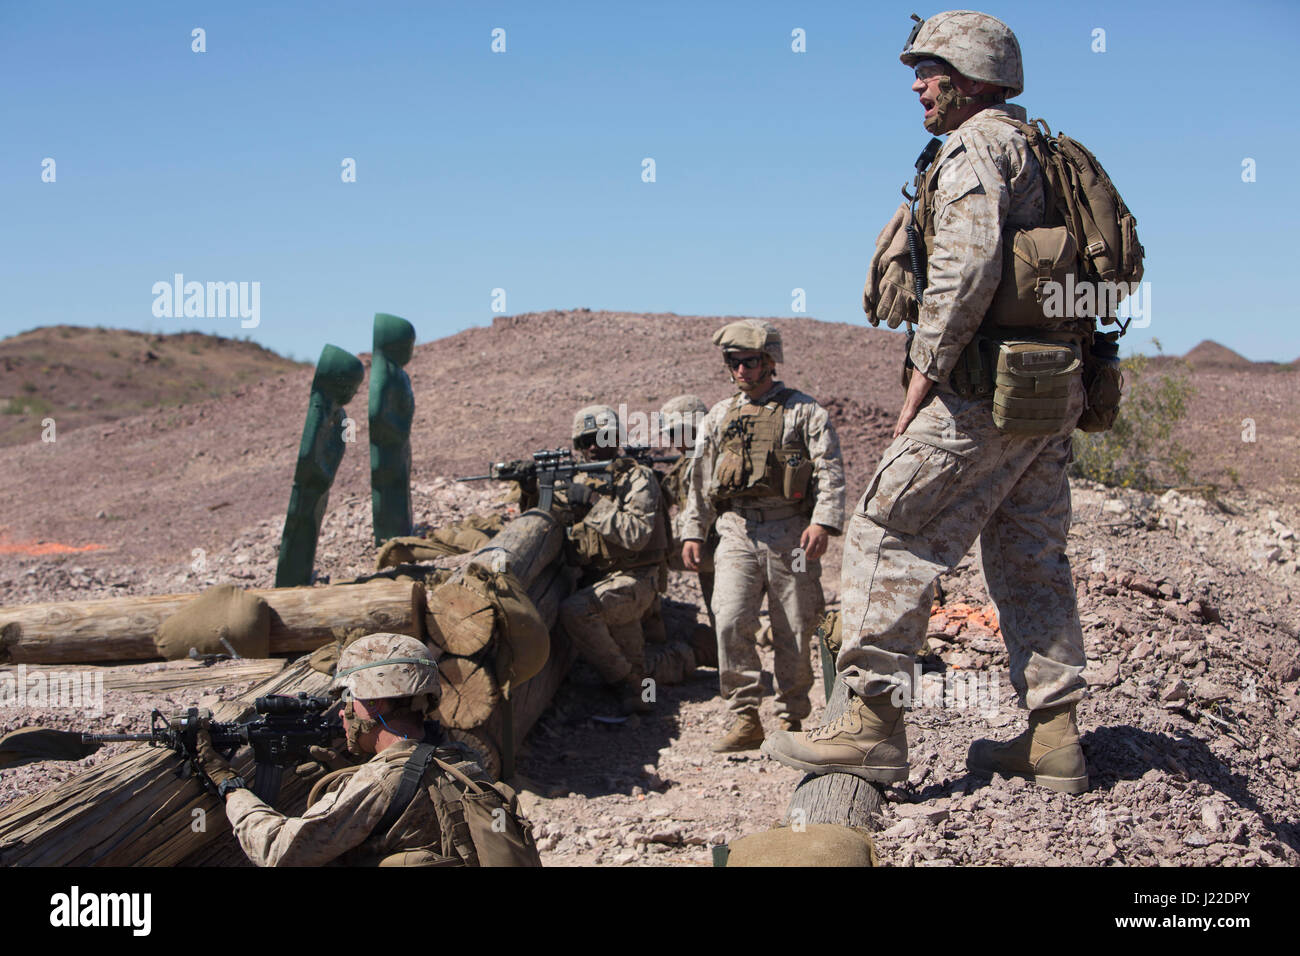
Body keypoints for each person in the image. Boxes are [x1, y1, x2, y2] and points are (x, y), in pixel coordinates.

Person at [763, 10, 1091, 794]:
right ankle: (1054, 737)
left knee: (884, 528)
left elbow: (968, 269)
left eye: (929, 70)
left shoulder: (976, 147)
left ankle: (871, 726)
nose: (917, 85)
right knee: (1028, 554)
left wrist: (923, 376)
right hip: (1046, 395)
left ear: (971, 76)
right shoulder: (1038, 146)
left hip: (981, 392)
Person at [194, 633, 542, 865]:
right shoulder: (462, 758)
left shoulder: (381, 782)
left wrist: (231, 789)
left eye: (348, 698)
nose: (343, 712)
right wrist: (347, 774)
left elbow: (278, 849)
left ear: (373, 703)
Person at [679, 320, 845, 751]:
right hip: (735, 529)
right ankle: (744, 717)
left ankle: (792, 717)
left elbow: (829, 469)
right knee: (731, 619)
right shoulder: (719, 415)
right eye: (733, 363)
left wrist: (823, 522)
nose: (741, 371)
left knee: (794, 626)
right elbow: (698, 480)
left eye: (749, 362)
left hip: (790, 529)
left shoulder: (804, 411)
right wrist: (692, 532)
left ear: (769, 362)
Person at [558, 405, 670, 714]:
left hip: (636, 580)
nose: (594, 446)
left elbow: (636, 534)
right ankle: (651, 677)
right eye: (586, 441)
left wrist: (593, 504)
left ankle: (633, 684)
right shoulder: (577, 479)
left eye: (601, 437)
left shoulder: (638, 477)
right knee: (639, 669)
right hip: (605, 581)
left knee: (575, 612)